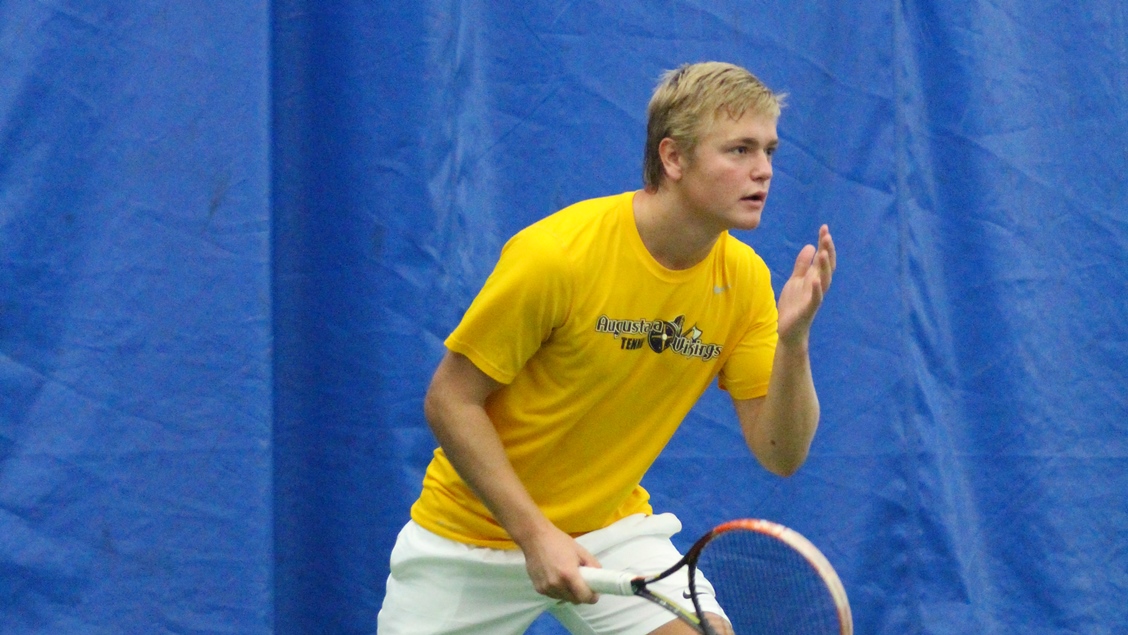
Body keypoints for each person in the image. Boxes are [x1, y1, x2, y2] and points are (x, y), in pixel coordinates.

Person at [377, 61, 836, 635]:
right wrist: (535, 534)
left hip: (608, 528)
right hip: (472, 535)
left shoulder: (742, 280)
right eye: (739, 150)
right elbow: (450, 401)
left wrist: (793, 344)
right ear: (672, 158)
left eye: (769, 150)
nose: (763, 171)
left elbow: (781, 453)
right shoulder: (557, 256)